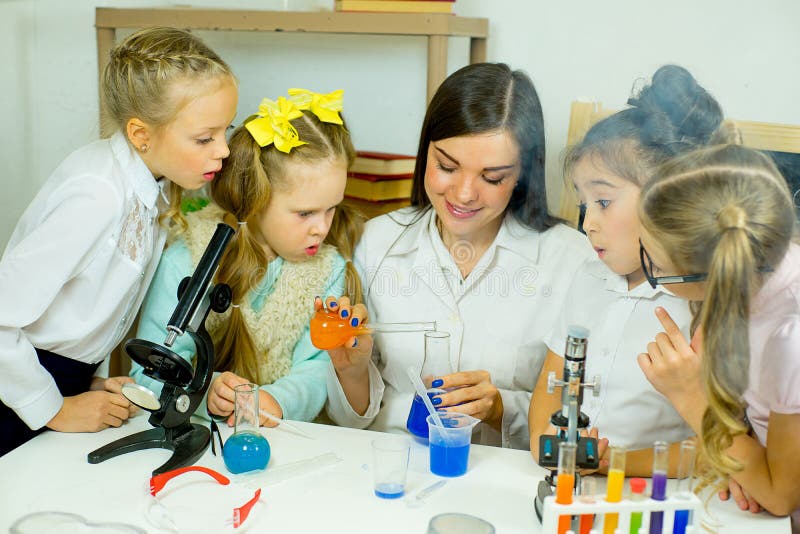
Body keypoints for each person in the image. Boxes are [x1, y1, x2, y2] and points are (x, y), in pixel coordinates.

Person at [324, 62, 593, 449]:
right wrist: (351, 373)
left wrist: (502, 407)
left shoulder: (571, 262)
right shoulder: (376, 243)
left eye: (492, 177)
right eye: (447, 167)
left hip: (501, 481)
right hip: (389, 469)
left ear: (522, 175)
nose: (464, 194)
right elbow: (348, 420)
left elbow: (587, 416)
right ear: (425, 153)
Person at [0, 26, 237, 455]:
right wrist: (54, 408)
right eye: (205, 138)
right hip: (13, 392)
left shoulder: (153, 188)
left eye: (226, 131)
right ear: (141, 134)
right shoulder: (97, 194)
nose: (223, 150)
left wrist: (86, 381)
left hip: (58, 379)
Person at [528, 65, 723, 475]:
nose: (586, 223)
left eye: (603, 202)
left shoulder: (704, 304)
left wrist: (610, 464)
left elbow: (719, 447)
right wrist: (548, 442)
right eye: (584, 204)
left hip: (652, 496)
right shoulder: (587, 277)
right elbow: (552, 379)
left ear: (668, 199)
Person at [133, 89, 362, 426]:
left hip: (286, 439)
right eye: (305, 213)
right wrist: (204, 392)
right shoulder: (187, 260)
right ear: (256, 199)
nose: (321, 229)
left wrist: (277, 400)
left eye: (332, 209)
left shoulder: (327, 270)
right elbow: (149, 370)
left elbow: (317, 366)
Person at [638, 143, 800, 526]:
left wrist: (689, 394)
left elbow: (781, 495)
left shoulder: (790, 337)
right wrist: (746, 466)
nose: (652, 273)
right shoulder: (753, 278)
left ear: (711, 274)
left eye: (655, 264)